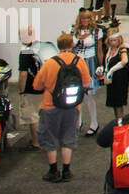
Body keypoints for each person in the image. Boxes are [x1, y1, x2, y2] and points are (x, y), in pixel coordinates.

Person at [33, 33, 92, 184]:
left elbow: (37, 85)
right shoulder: (79, 61)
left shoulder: (50, 63)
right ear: (72, 45)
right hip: (72, 106)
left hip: (50, 105)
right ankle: (67, 170)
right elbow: (86, 83)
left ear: (58, 46)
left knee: (49, 137)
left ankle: (53, 171)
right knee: (68, 137)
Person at [17, 25, 42, 150]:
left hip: (32, 87)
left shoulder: (25, 52)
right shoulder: (42, 46)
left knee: (33, 116)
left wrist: (21, 91)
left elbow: (23, 73)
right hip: (46, 85)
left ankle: (36, 141)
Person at [100, 32, 129, 121]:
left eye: (115, 40)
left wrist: (112, 70)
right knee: (114, 104)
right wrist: (102, 69)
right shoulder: (108, 50)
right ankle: (118, 122)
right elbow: (105, 62)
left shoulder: (122, 49)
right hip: (110, 80)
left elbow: (124, 61)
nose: (113, 42)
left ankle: (120, 124)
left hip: (120, 80)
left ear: (119, 40)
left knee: (118, 104)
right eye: (111, 40)